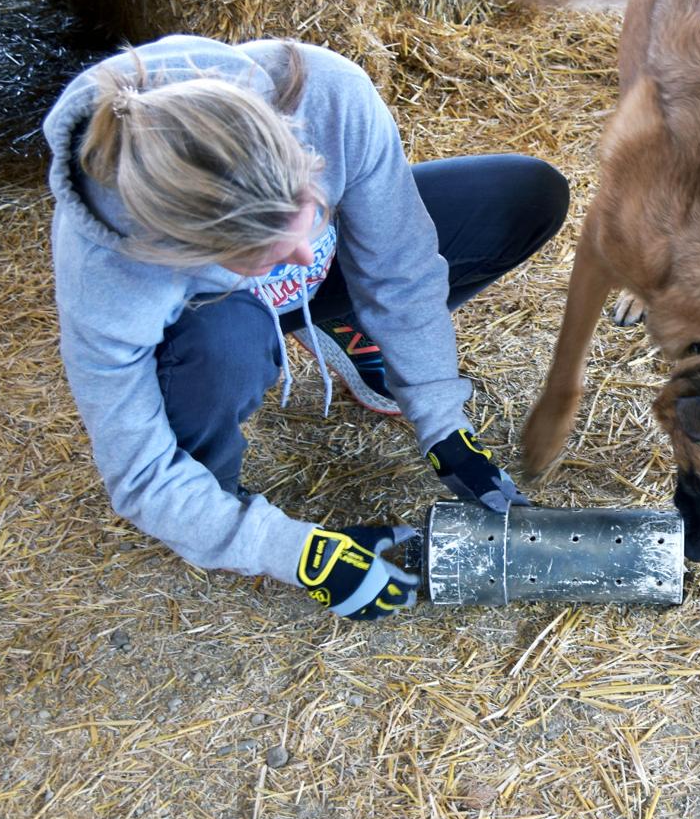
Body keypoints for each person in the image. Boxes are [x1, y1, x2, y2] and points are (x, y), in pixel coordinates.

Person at [44, 34, 568, 620]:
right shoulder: (111, 273)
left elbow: (402, 268)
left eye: (311, 211)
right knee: (223, 346)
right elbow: (140, 472)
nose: (303, 253)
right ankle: (217, 498)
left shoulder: (327, 94)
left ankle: (339, 321)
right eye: (265, 254)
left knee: (524, 193)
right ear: (190, 252)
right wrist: (295, 551)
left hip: (282, 269)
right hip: (222, 323)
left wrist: (441, 417)